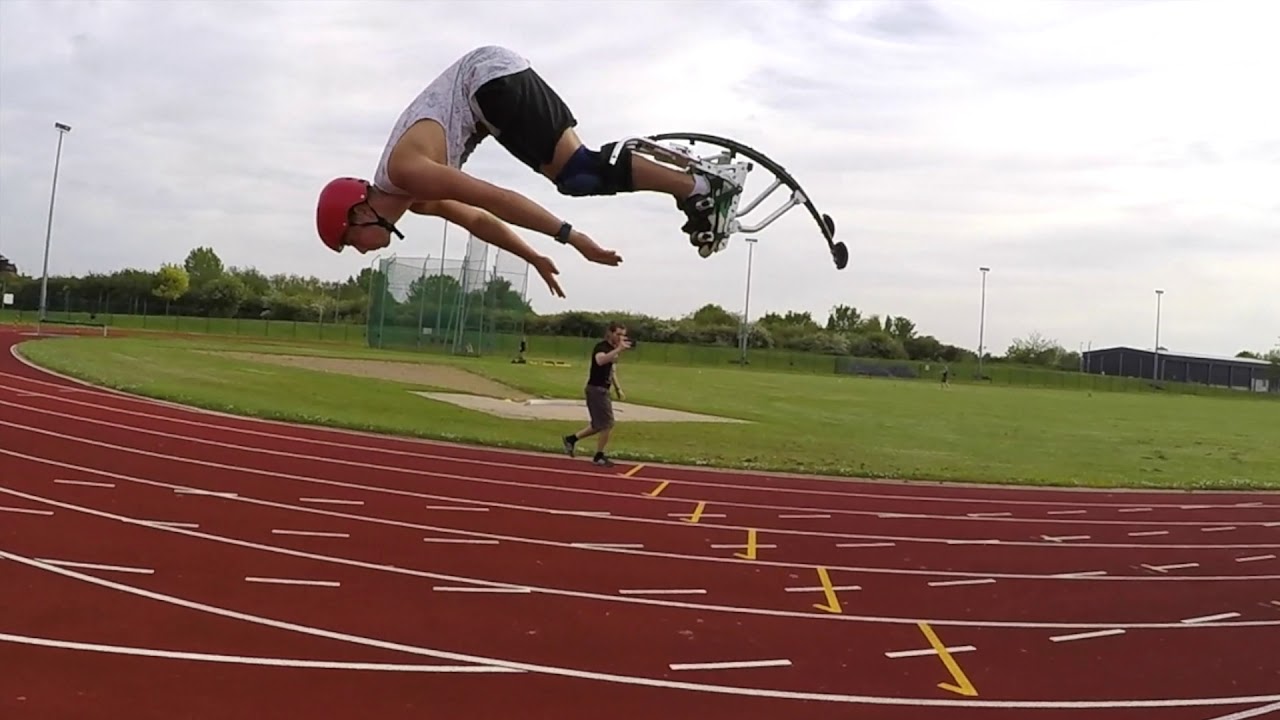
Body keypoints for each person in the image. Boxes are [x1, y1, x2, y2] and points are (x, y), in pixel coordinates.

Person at [315, 45, 739, 299]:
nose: (360, 251)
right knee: (578, 175)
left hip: (488, 81)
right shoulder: (416, 199)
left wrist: (572, 238)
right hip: (489, 89)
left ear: (360, 213)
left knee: (578, 175)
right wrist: (532, 256)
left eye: (350, 241)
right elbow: (479, 221)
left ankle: (698, 184)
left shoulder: (406, 172)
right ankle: (694, 182)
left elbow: (493, 198)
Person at [562, 321, 630, 467]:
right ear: (610, 333)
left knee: (598, 425)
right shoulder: (601, 347)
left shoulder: (612, 350)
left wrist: (618, 388)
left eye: (623, 335)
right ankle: (599, 456)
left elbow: (611, 370)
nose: (620, 337)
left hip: (603, 389)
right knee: (608, 424)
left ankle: (571, 439)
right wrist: (618, 349)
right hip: (596, 389)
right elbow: (600, 360)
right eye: (618, 334)